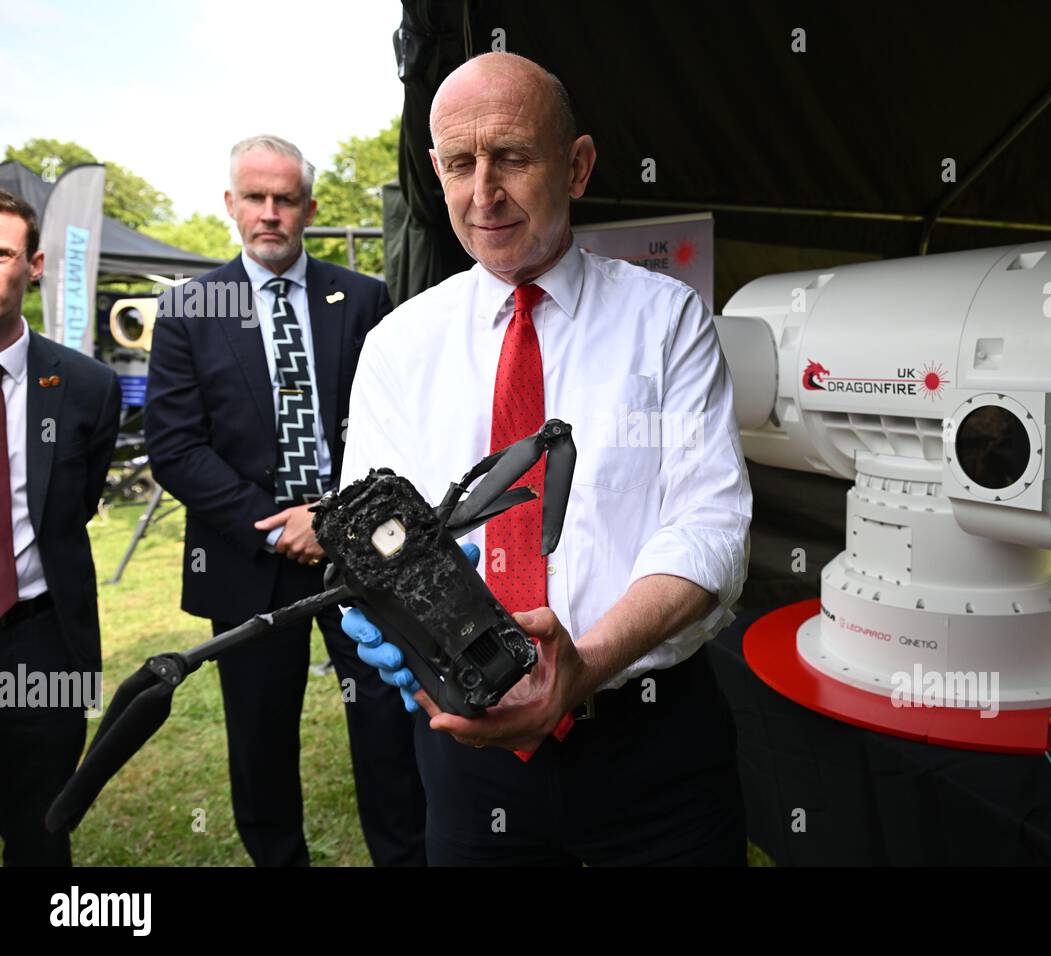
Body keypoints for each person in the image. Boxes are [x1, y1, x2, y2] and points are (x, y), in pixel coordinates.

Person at [340, 52, 753, 865]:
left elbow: (712, 526)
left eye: (513, 158)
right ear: (436, 172)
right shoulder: (398, 345)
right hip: (472, 754)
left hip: (652, 743)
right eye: (460, 164)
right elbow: (375, 531)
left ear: (579, 165)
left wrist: (585, 666)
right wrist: (387, 608)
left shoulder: (666, 320)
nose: (483, 192)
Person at [144, 136, 424, 866]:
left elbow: (390, 421)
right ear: (231, 204)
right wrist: (276, 530)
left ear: (310, 207)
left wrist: (329, 519)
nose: (271, 214)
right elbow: (176, 447)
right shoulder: (189, 309)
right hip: (248, 560)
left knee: (390, 725)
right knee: (261, 742)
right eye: (256, 198)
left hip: (360, 552)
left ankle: (406, 857)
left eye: (286, 199)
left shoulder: (362, 298)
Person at [0, 188, 120, 865]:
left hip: (42, 639)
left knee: (41, 830)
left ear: (36, 263)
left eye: (0, 253)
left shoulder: (86, 386)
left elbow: (72, 506)